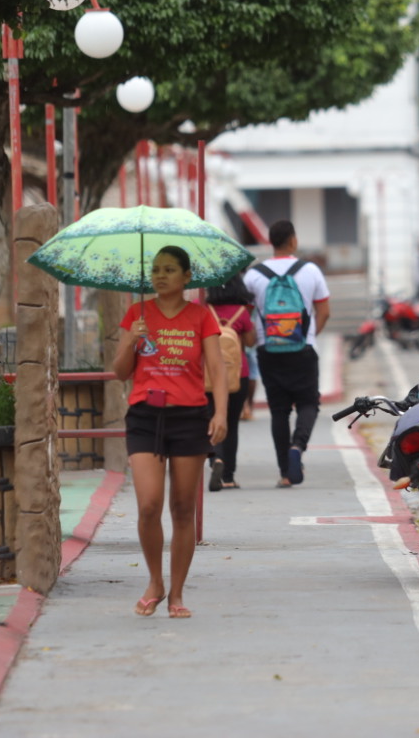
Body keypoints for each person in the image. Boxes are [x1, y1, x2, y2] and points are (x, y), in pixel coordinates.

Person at [111, 245, 225, 619]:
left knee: (182, 507)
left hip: (189, 418)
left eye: (170, 269)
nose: (160, 276)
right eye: (156, 269)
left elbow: (217, 368)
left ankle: (176, 592)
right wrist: (131, 339)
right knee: (148, 504)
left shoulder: (201, 316)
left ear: (187, 276)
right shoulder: (137, 314)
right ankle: (155, 582)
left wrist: (221, 413)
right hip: (145, 418)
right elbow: (120, 372)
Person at [244, 220, 331, 488]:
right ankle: (298, 446)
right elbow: (324, 311)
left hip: (268, 350)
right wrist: (309, 335)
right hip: (303, 349)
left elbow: (245, 316)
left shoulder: (253, 275)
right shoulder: (310, 270)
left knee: (279, 411)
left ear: (271, 242)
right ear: (293, 240)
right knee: (308, 403)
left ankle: (285, 472)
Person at [204, 272, 257, 491]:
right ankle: (228, 477)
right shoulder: (241, 312)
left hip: (208, 374)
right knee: (231, 424)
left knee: (211, 419)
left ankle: (215, 457)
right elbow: (251, 342)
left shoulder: (204, 311)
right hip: (237, 375)